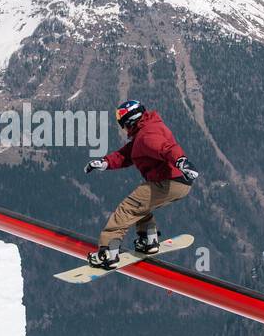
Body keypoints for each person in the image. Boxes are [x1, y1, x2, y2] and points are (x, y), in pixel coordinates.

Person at [82, 99, 199, 268]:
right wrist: (104, 162)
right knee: (141, 205)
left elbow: (166, 148)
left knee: (128, 208)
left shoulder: (147, 136)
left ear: (130, 121)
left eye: (124, 125)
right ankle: (148, 240)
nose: (125, 130)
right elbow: (126, 155)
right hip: (178, 182)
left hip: (169, 181)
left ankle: (108, 252)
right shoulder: (146, 131)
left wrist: (182, 161)